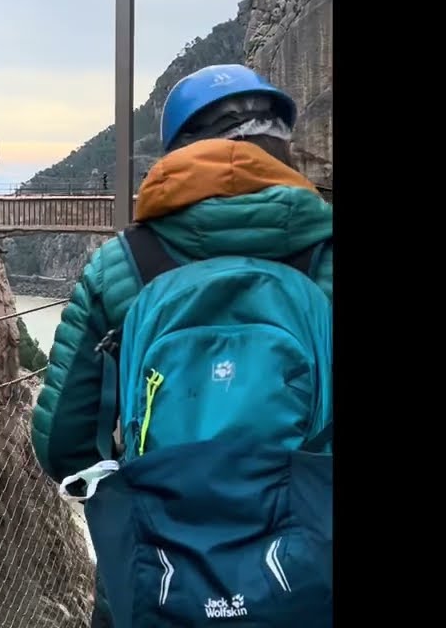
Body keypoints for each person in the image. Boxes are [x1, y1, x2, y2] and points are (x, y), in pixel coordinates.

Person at [30, 64, 333, 627]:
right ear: (282, 150)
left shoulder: (121, 266)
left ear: (177, 153)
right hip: (311, 581)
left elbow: (63, 447)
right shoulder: (327, 257)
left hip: (159, 579)